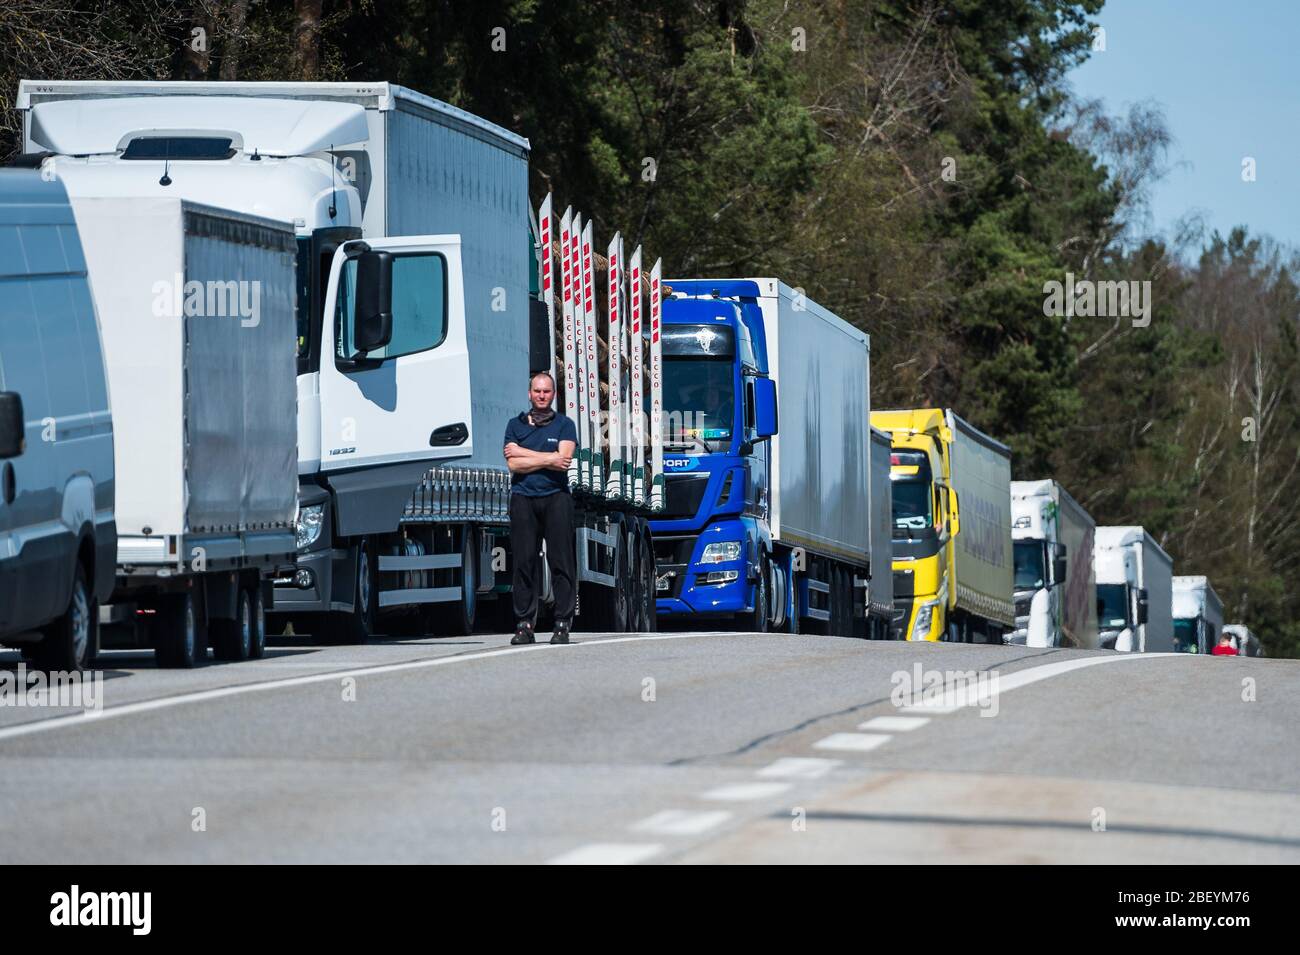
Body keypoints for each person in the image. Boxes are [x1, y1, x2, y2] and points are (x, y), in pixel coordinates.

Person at [503, 371, 578, 645]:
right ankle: (524, 624)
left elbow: (564, 460)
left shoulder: (565, 425)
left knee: (561, 561)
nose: (542, 395)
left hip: (556, 497)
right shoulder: (515, 425)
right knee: (524, 562)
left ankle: (562, 623)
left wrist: (526, 454)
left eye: (547, 391)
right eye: (537, 391)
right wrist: (549, 458)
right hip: (523, 497)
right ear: (529, 393)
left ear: (554, 394)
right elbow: (513, 465)